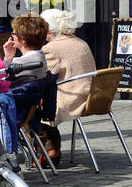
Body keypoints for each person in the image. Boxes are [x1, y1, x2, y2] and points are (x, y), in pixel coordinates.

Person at [41, 9, 95, 165]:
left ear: (49, 30)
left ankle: (49, 149)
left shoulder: (51, 47)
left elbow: (44, 77)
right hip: (91, 96)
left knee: (33, 104)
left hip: (72, 97)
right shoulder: (81, 42)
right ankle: (50, 149)